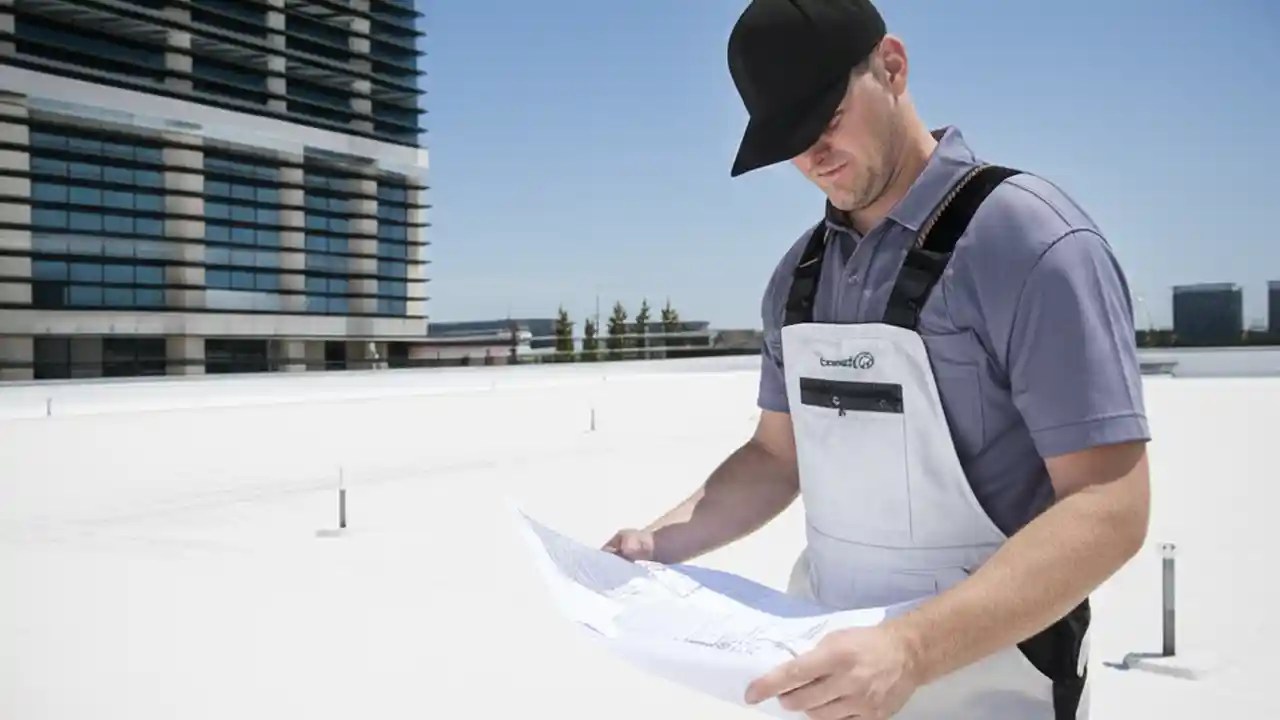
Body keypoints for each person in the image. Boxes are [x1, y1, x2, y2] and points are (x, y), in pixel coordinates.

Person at [603, 0, 1153, 717]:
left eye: (827, 120)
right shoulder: (798, 277)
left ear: (892, 67)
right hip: (829, 676)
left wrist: (909, 650)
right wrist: (658, 542)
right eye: (789, 140)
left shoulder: (1031, 243)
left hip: (994, 683)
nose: (813, 156)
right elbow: (776, 457)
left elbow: (1110, 506)